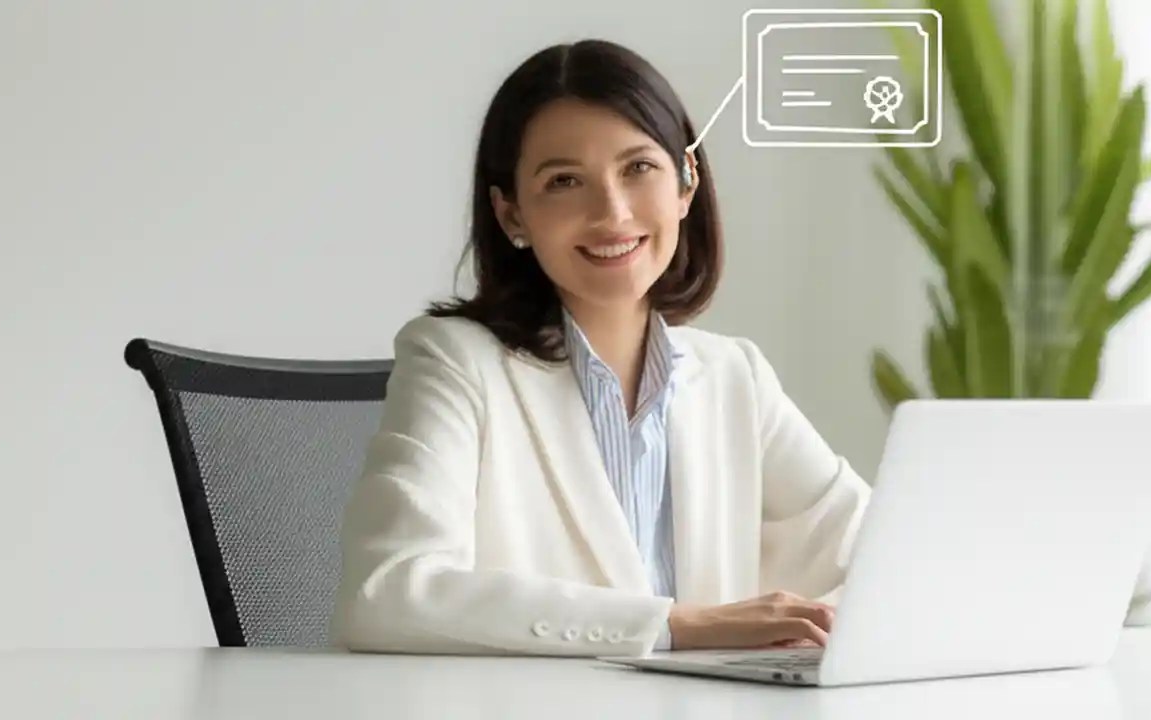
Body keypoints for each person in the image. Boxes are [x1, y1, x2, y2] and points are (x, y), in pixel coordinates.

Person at [331, 39, 871, 658]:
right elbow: (385, 594)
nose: (611, 212)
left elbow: (878, 554)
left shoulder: (734, 377)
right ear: (512, 215)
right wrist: (673, 625)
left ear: (686, 184)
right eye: (564, 181)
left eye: (638, 168)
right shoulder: (453, 361)